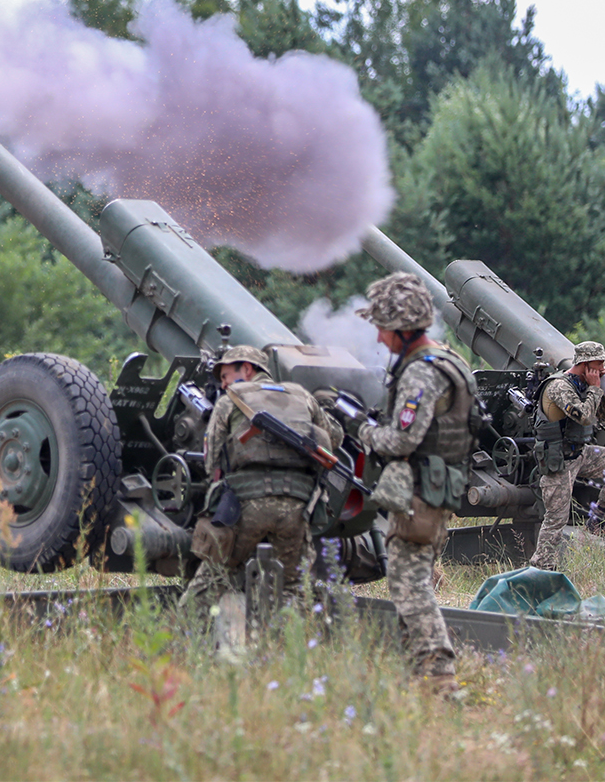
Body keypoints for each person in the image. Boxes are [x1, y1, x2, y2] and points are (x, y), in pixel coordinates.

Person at [356, 272, 476, 694]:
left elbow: (404, 437)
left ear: (402, 329)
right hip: (440, 488)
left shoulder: (420, 373)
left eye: (381, 328)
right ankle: (418, 678)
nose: (378, 338)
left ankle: (440, 676)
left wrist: (364, 431)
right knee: (415, 579)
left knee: (409, 586)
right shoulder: (450, 360)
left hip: (419, 494)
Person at [182, 344, 342, 630]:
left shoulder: (230, 400)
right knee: (293, 586)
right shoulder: (301, 395)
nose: (223, 383)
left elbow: (213, 460)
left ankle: (177, 641)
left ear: (247, 369)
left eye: (227, 374)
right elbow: (335, 438)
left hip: (246, 506)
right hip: (297, 507)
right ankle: (291, 653)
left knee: (216, 574)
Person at [528, 340, 605, 571]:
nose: (603, 367)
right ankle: (541, 567)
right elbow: (585, 417)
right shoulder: (559, 386)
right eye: (599, 363)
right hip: (558, 458)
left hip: (580, 452)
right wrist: (595, 387)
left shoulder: (584, 384)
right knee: (556, 518)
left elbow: (604, 415)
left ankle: (600, 519)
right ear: (586, 364)